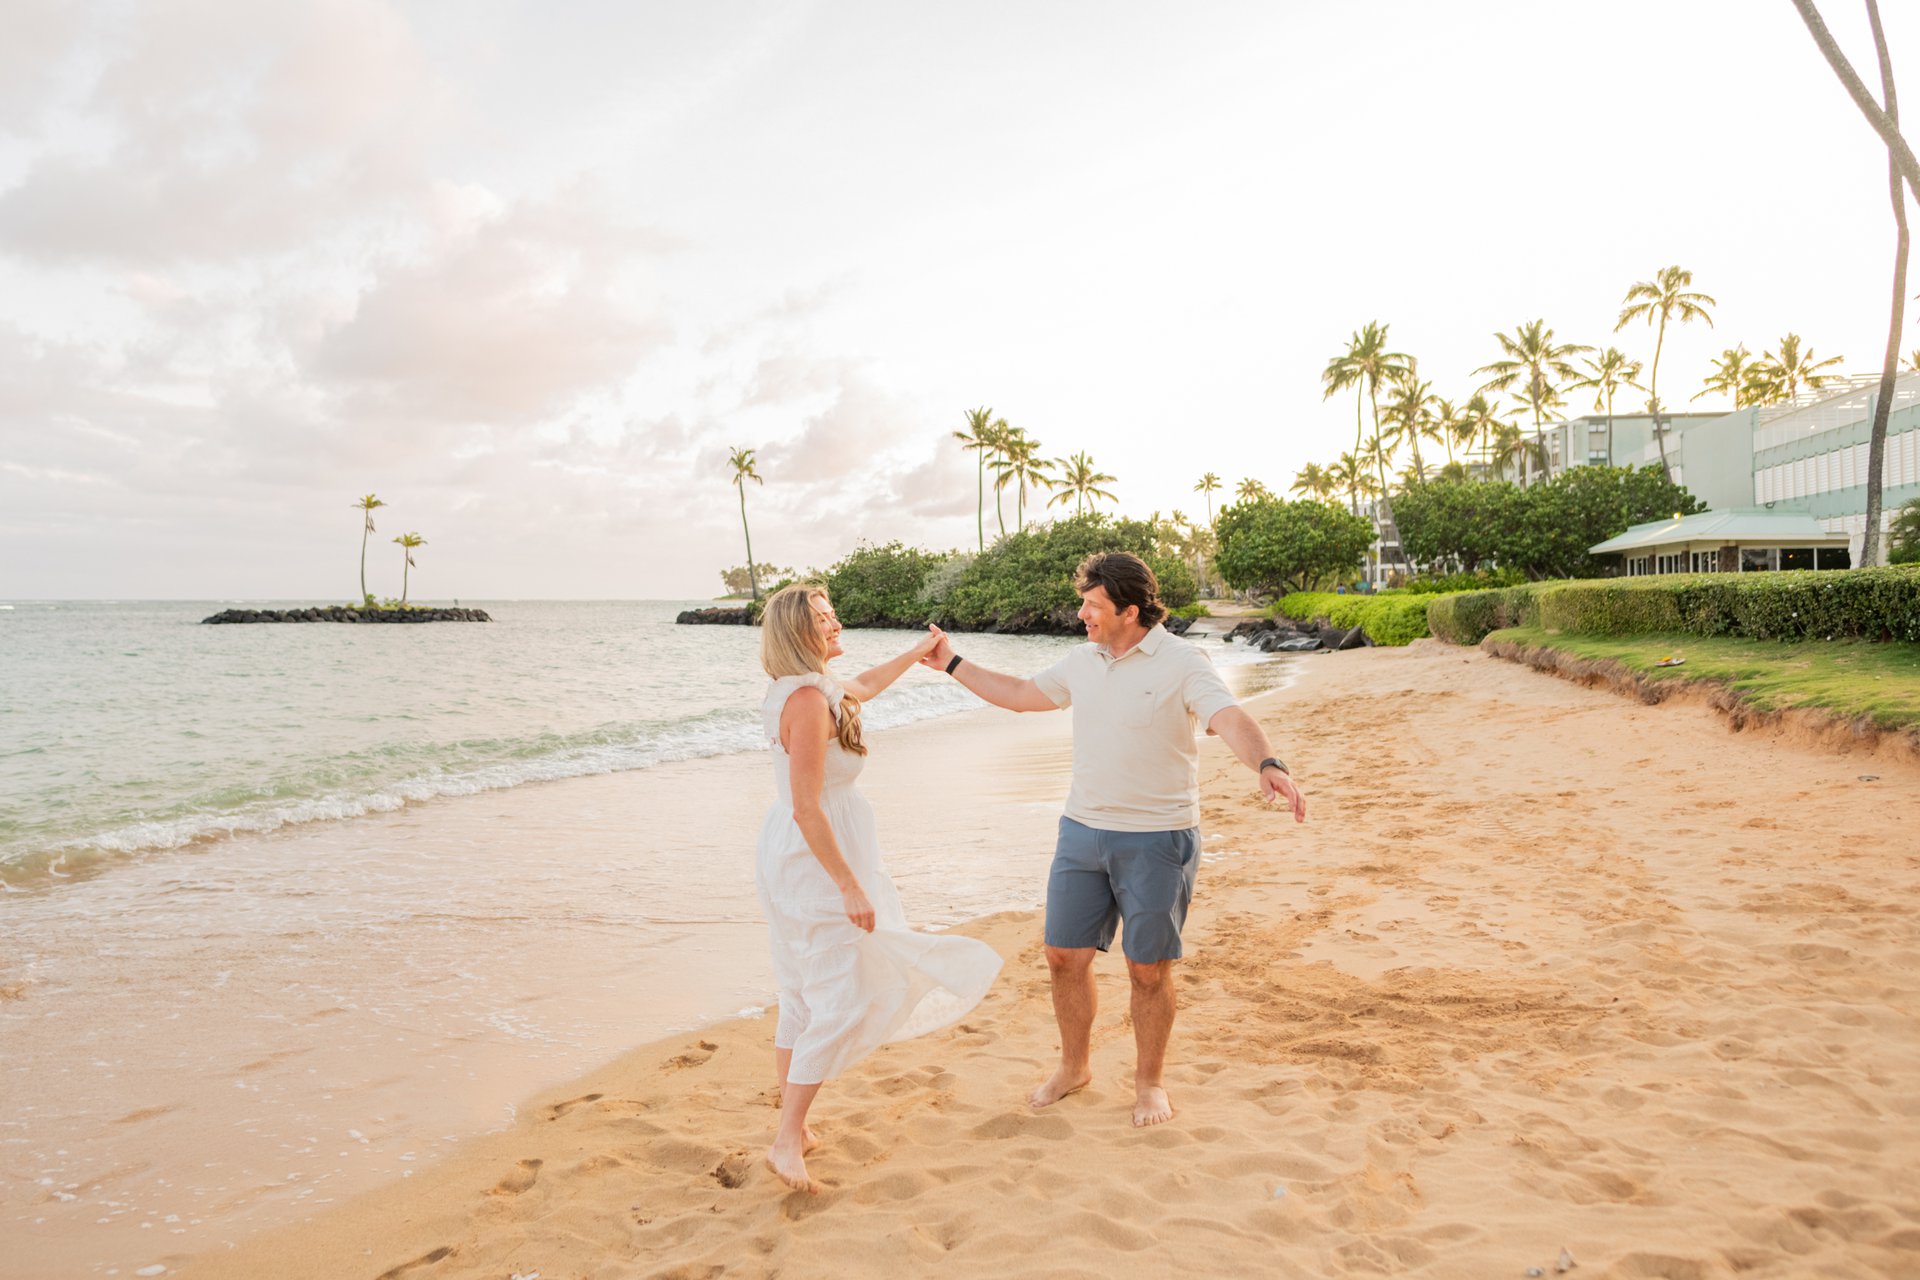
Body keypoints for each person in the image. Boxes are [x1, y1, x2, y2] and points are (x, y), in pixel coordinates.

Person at [921, 552, 1305, 1127]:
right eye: (1083, 603)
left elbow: (1228, 717)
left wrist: (1268, 764)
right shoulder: (1084, 660)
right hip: (1081, 832)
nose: (1082, 614)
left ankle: (1150, 1083)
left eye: (1093, 605)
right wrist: (952, 662)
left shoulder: (1182, 661)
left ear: (1130, 610)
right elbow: (1021, 693)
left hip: (1158, 838)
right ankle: (1074, 1067)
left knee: (1147, 969)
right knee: (1062, 956)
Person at [754, 583, 1002, 1193]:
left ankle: (794, 1128)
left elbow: (864, 685)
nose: (835, 622)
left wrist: (919, 652)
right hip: (815, 861)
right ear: (798, 632)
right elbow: (807, 808)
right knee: (839, 998)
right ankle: (786, 1139)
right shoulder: (807, 701)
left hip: (803, 853)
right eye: (822, 618)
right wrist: (849, 887)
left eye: (831, 612)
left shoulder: (809, 686)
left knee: (801, 992)